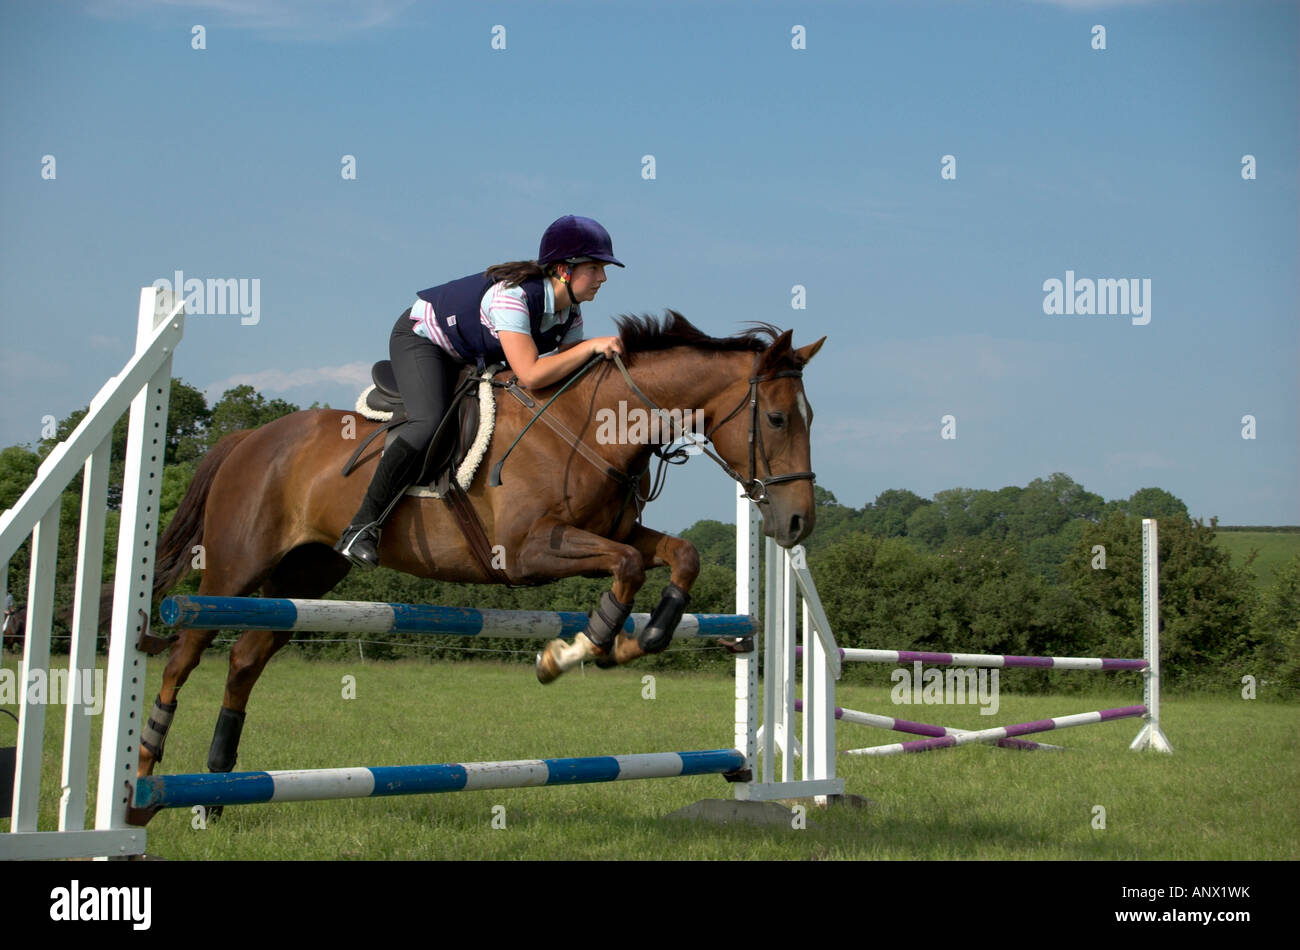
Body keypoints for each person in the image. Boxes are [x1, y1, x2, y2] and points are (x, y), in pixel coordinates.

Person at [336, 215, 627, 568]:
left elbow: (564, 375)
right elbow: (533, 374)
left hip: (472, 354)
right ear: (564, 270)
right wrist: (592, 346)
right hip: (424, 342)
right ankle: (361, 527)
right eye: (595, 268)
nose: (603, 278)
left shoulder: (570, 314)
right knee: (428, 422)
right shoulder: (513, 297)